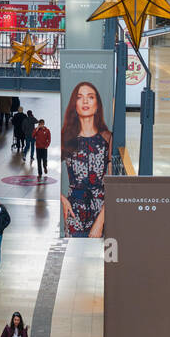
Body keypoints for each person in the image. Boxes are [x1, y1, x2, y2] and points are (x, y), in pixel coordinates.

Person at [61, 81, 113, 238]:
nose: (85, 101)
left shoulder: (107, 138)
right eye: (79, 97)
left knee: (100, 259)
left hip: (102, 208)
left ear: (97, 105)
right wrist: (62, 199)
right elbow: (43, 174)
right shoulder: (66, 137)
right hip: (74, 210)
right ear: (74, 105)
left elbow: (114, 183)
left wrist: (101, 221)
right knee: (75, 258)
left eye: (90, 97)